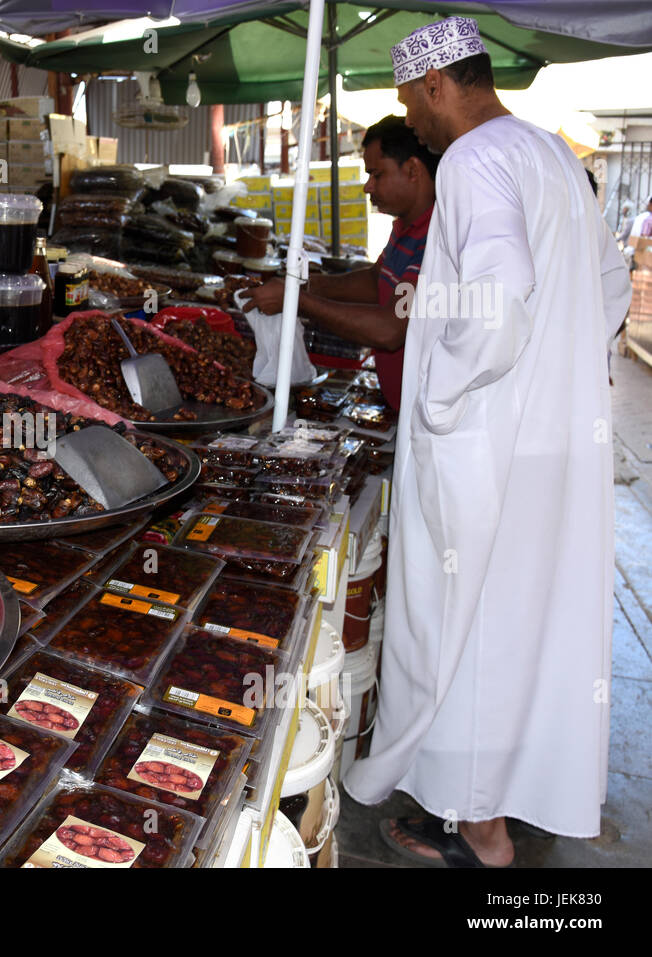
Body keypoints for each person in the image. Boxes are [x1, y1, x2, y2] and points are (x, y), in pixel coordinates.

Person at [342, 16, 631, 867]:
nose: (415, 126)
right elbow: (607, 286)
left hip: (485, 442)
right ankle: (505, 798)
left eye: (410, 104)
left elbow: (497, 300)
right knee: (523, 625)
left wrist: (440, 397)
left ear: (437, 85)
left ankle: (480, 830)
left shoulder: (473, 158)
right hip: (549, 441)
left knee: (460, 630)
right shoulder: (549, 153)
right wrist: (560, 366)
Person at [242, 116, 437, 409]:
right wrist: (303, 285)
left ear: (412, 170)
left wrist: (296, 299)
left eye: (376, 174)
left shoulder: (436, 238)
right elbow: (375, 281)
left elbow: (390, 330)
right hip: (403, 408)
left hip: (428, 415)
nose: (367, 187)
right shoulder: (405, 228)